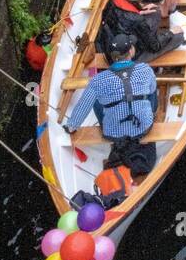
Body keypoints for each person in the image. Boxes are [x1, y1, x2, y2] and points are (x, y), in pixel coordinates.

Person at [66, 33, 159, 178]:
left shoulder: (98, 80)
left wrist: (71, 127)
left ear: (112, 56)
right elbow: (153, 90)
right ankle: (152, 114)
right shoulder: (145, 69)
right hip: (144, 126)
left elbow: (83, 106)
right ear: (131, 51)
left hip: (113, 133)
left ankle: (109, 122)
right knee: (151, 92)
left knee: (96, 99)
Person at [99, 0, 185, 64]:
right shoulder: (138, 21)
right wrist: (170, 32)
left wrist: (139, 10)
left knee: (155, 11)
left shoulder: (112, 1)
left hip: (110, 47)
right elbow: (155, 46)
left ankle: (153, 35)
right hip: (128, 57)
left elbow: (122, 19)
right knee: (179, 37)